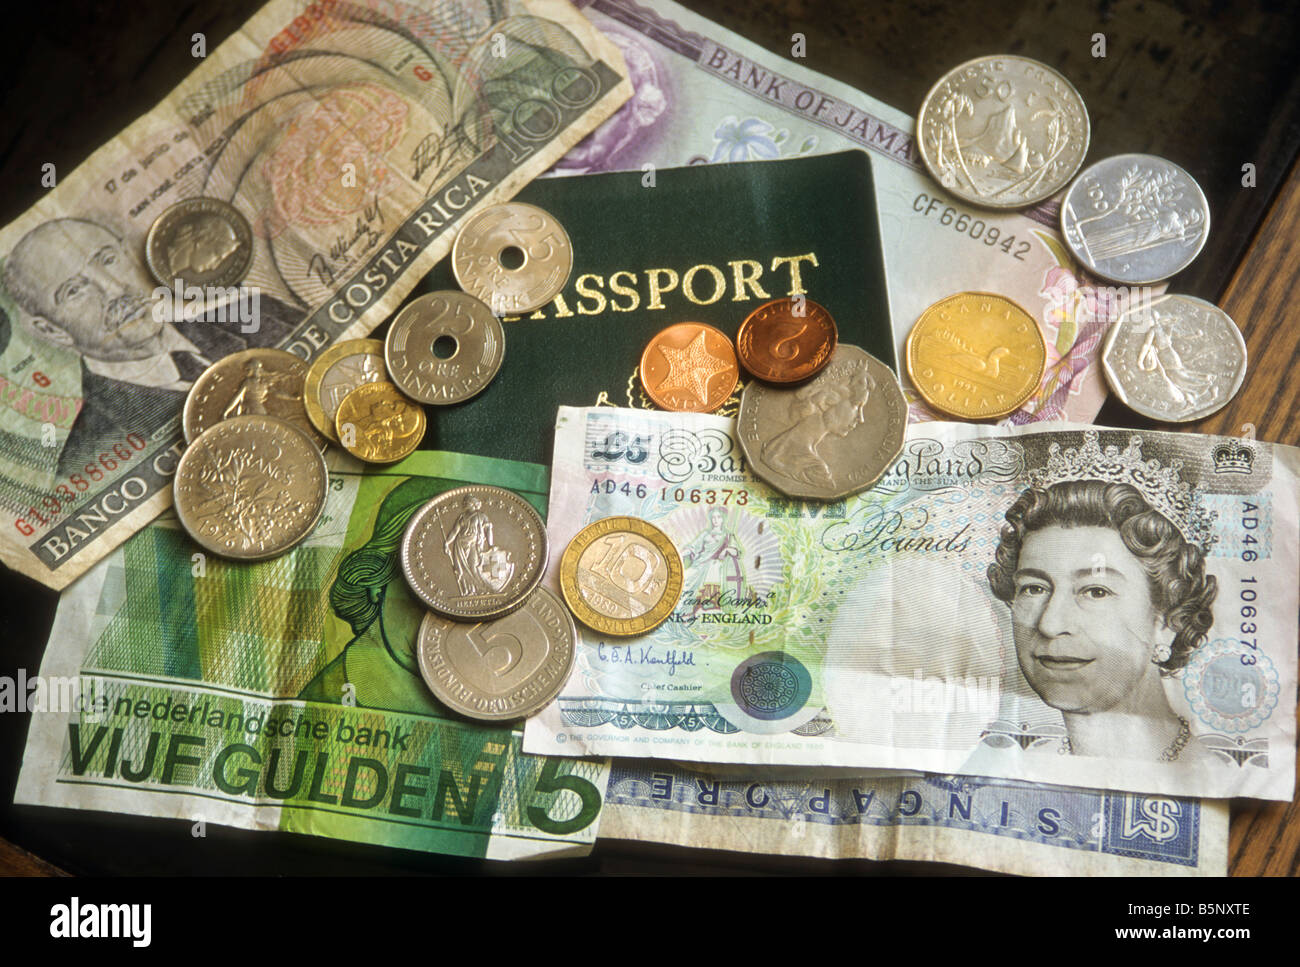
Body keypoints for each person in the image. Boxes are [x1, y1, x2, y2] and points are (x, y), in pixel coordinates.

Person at [2, 216, 301, 476]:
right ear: (52, 331)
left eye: (108, 260)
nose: (116, 289)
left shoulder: (258, 313)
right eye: (75, 290)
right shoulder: (92, 455)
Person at [986, 478, 1217, 762]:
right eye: (1034, 588)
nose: (1050, 624)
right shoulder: (998, 761)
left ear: (1168, 622)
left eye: (1096, 591)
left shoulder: (1214, 774)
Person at [760, 366, 873, 488]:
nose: (860, 419)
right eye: (856, 406)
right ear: (825, 402)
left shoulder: (772, 448)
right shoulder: (816, 470)